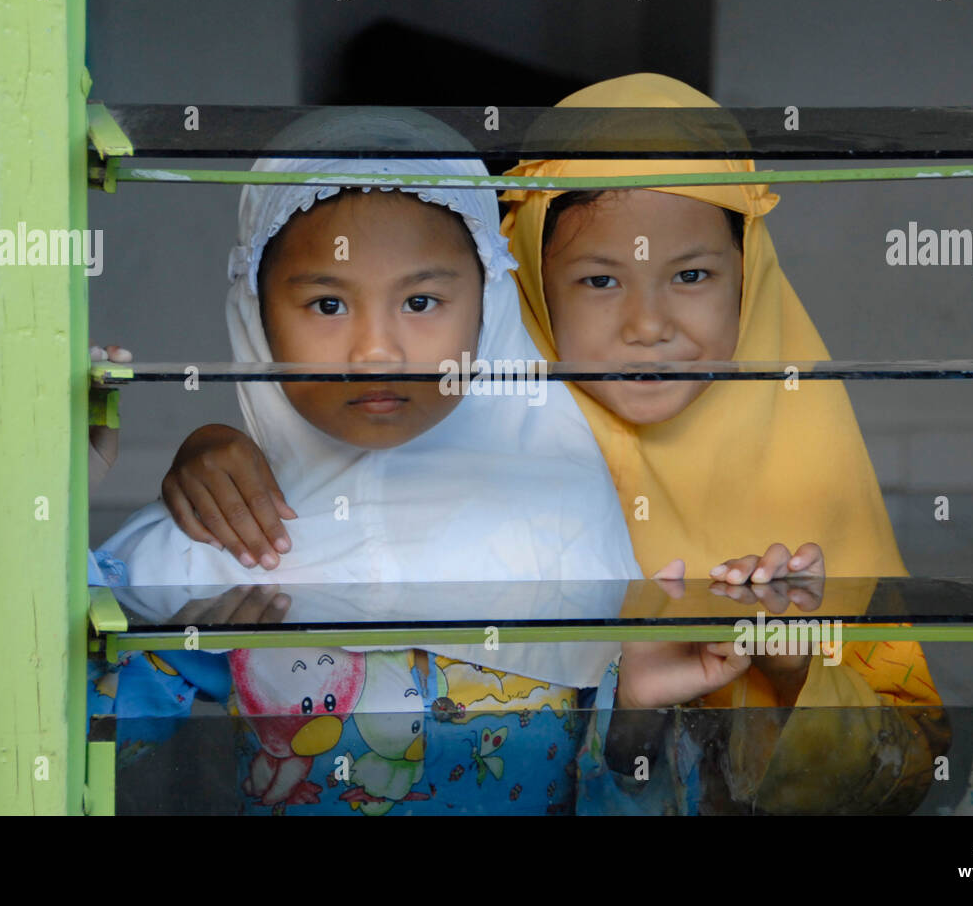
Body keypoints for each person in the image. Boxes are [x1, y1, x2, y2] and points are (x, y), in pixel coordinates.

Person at [157, 76, 950, 814]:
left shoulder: (808, 473)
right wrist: (222, 440)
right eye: (599, 281)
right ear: (525, 283)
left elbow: (912, 770)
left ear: (751, 278)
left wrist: (790, 667)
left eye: (694, 276)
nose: (648, 325)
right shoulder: (472, 432)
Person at [95, 107, 645, 815]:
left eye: (421, 300)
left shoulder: (563, 507)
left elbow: (637, 773)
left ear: (489, 307)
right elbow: (64, 726)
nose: (377, 351)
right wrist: (66, 475)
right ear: (257, 315)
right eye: (327, 303)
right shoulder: (235, 533)